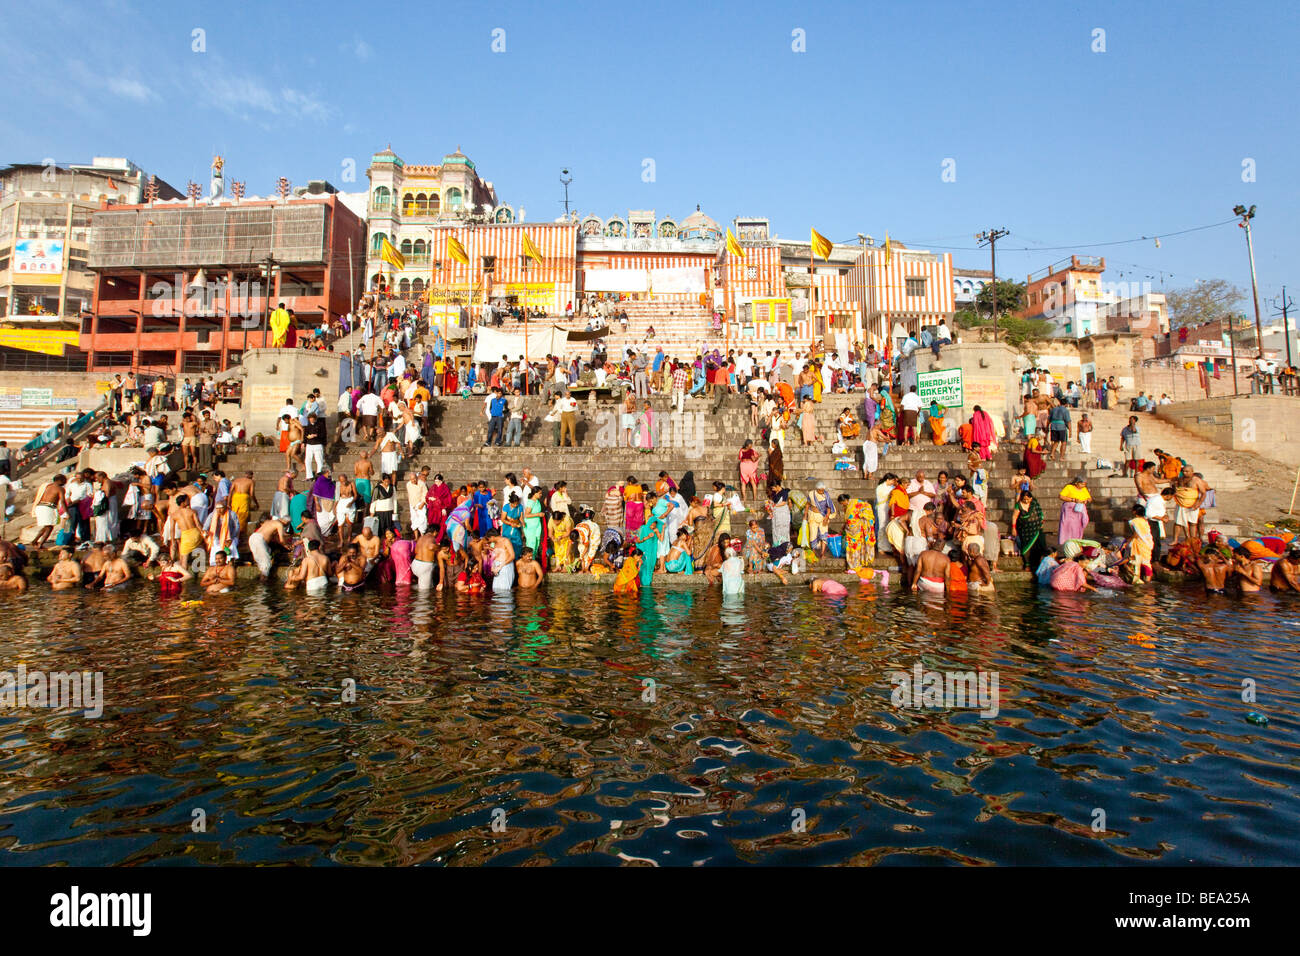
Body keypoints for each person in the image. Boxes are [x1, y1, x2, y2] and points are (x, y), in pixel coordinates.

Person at [1011, 490, 1046, 572]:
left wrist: (1041, 520)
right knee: (1026, 547)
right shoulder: (1018, 505)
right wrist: (1013, 528)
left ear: (1031, 498)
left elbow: (1040, 513)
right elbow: (1014, 517)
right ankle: (1027, 564)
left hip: (1036, 529)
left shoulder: (1034, 503)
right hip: (1025, 530)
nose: (1026, 501)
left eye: (1028, 499)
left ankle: (1039, 564)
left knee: (1039, 546)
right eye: (1024, 499)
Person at [1058, 476, 1091, 545]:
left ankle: (1076, 542)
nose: (1083, 486)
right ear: (1076, 483)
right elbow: (1061, 496)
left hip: (1080, 510)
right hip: (1069, 510)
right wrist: (1073, 500)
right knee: (1068, 526)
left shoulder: (1084, 489)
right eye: (1081, 484)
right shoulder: (1069, 487)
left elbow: (1089, 498)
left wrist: (1086, 500)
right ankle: (1065, 542)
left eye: (1084, 484)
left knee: (1078, 526)